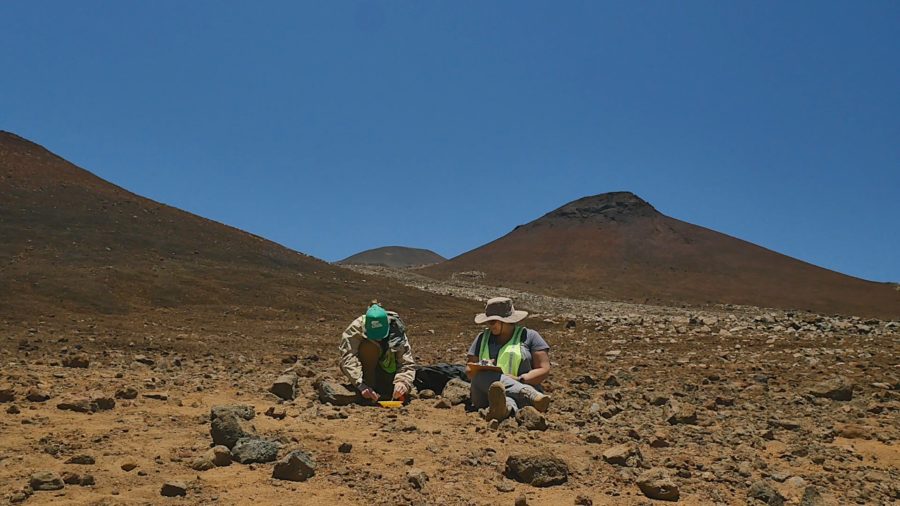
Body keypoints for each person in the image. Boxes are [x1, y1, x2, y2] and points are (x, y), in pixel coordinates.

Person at [466, 297, 551, 421]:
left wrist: (519, 379)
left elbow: (544, 369)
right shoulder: (482, 338)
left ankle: (506, 410)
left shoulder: (530, 336)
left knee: (504, 397)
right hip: (485, 393)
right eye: (488, 322)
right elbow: (469, 369)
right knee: (480, 376)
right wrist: (482, 368)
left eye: (493, 322)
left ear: (506, 321)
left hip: (521, 390)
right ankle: (529, 394)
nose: (489, 325)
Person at [339, 302, 416, 402]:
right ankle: (370, 386)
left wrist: (402, 382)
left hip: (388, 371)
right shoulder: (355, 329)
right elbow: (348, 357)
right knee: (369, 347)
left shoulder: (396, 329)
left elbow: (406, 361)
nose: (379, 339)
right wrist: (360, 384)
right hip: (367, 371)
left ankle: (388, 386)